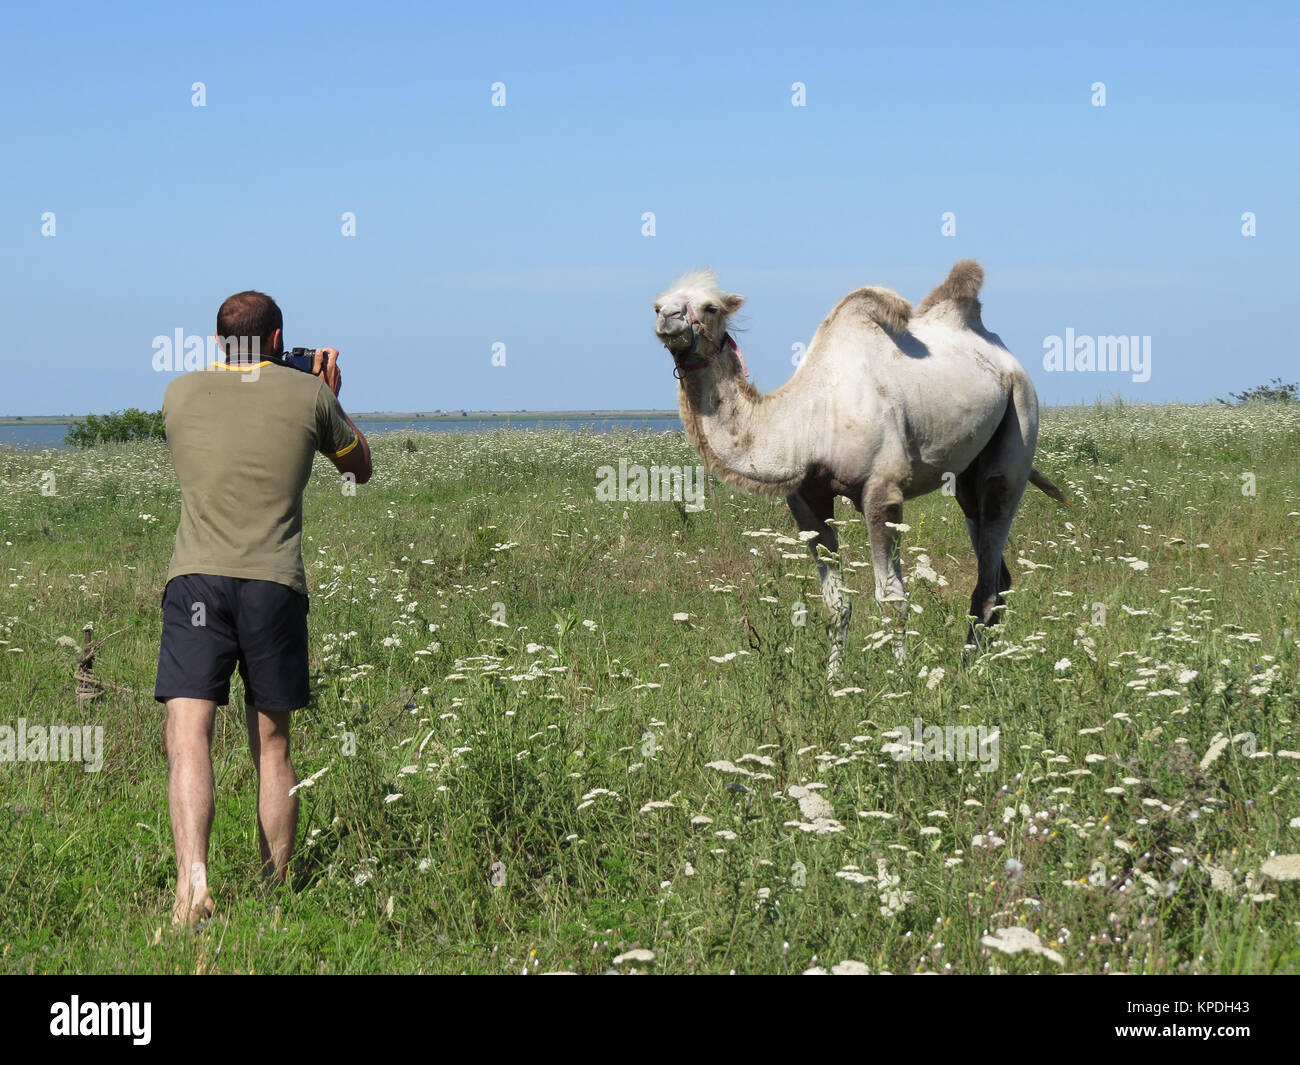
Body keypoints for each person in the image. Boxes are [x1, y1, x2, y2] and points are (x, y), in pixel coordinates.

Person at [154, 290, 372, 927]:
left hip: (195, 581)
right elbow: (358, 468)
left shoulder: (178, 393)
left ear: (220, 342)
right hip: (273, 584)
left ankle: (191, 887)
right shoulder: (309, 396)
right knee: (271, 745)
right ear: (279, 340)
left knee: (186, 733)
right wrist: (331, 393)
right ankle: (275, 893)